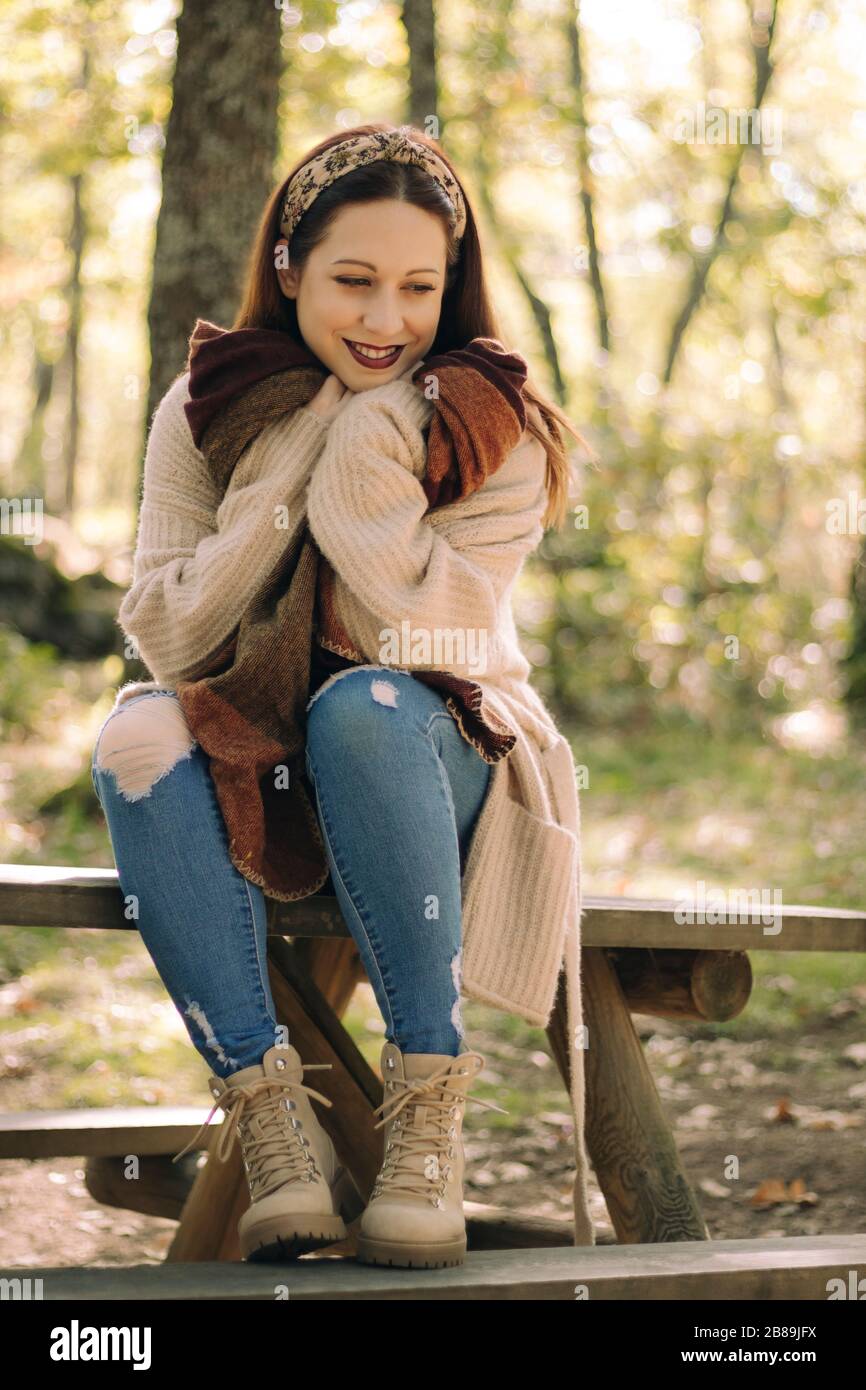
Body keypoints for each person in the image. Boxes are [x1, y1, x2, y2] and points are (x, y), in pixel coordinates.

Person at [91, 121, 596, 1269]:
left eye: (418, 288)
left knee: (358, 705)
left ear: (451, 288)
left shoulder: (487, 422)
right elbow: (168, 629)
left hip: (431, 748)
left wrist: (366, 442)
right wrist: (289, 466)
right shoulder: (206, 407)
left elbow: (421, 633)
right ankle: (272, 1120)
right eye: (352, 282)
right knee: (132, 732)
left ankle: (424, 1112)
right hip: (249, 742)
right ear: (287, 271)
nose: (386, 321)